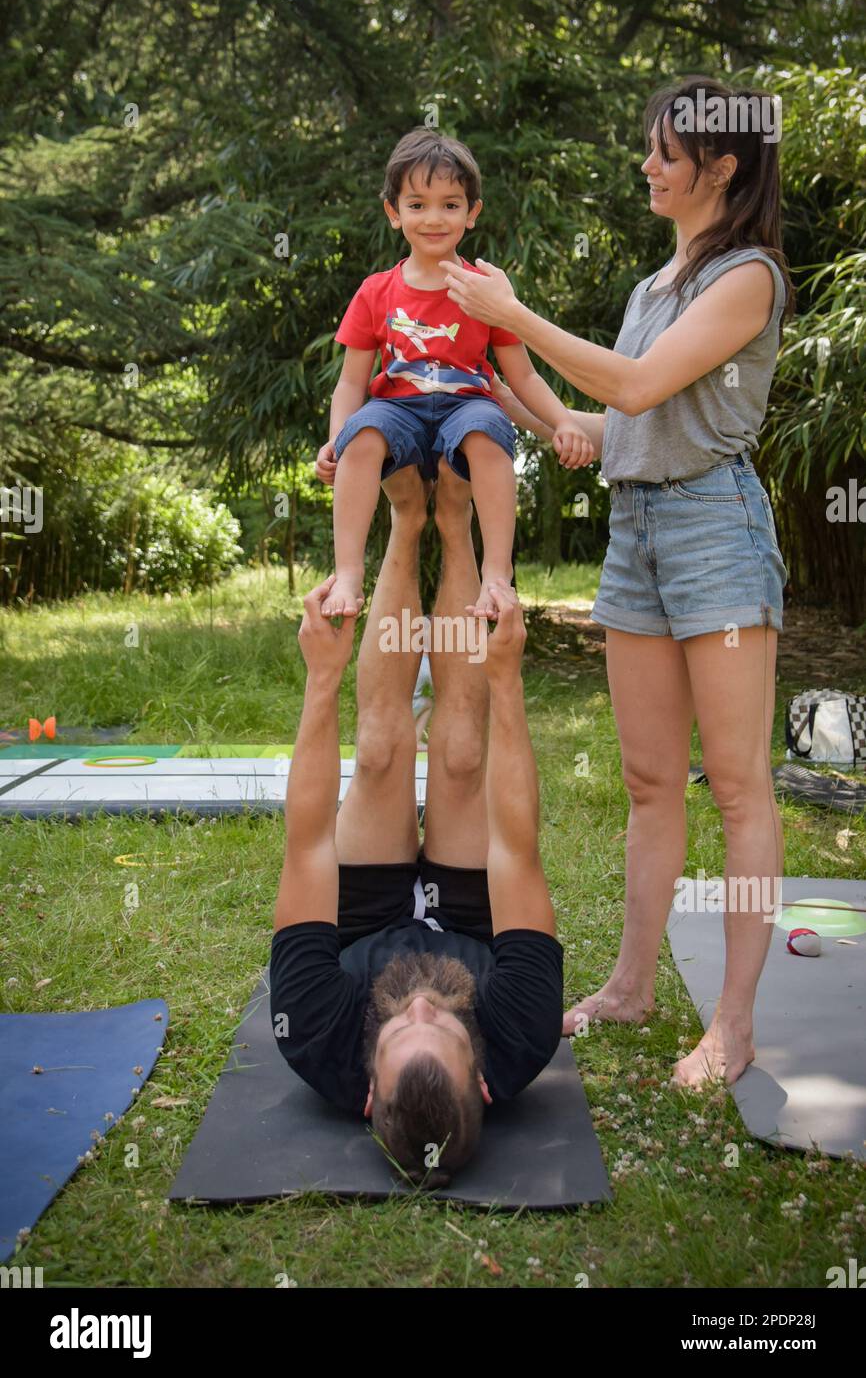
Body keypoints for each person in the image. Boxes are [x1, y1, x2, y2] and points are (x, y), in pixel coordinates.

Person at [439, 74, 795, 1088]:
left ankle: (731, 1022)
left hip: (712, 531)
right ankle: (632, 986)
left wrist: (519, 312)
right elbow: (623, 413)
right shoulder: (652, 289)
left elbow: (637, 383)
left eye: (660, 152)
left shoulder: (746, 277)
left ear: (717, 166)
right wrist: (544, 406)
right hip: (636, 529)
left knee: (733, 784)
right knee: (647, 780)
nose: (644, 165)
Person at [269, 465, 563, 1185]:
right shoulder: (522, 1029)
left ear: (367, 1088)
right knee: (462, 755)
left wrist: (322, 678)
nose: (426, 1005)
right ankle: (455, 517)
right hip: (473, 923)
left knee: (377, 750)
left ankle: (404, 518)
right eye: (449, 1030)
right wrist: (505, 678)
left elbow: (307, 848)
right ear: (486, 1082)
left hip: (359, 928)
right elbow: (516, 851)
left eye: (403, 1027)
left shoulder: (315, 1032)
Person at [314, 126, 594, 621]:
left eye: (450, 204)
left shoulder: (486, 290)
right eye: (417, 204)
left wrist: (563, 422)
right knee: (361, 435)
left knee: (488, 432)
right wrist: (336, 439)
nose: (434, 218)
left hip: (468, 403)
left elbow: (522, 378)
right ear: (393, 213)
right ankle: (349, 573)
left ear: (472, 214)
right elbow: (351, 383)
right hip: (396, 406)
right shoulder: (375, 291)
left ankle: (497, 577)